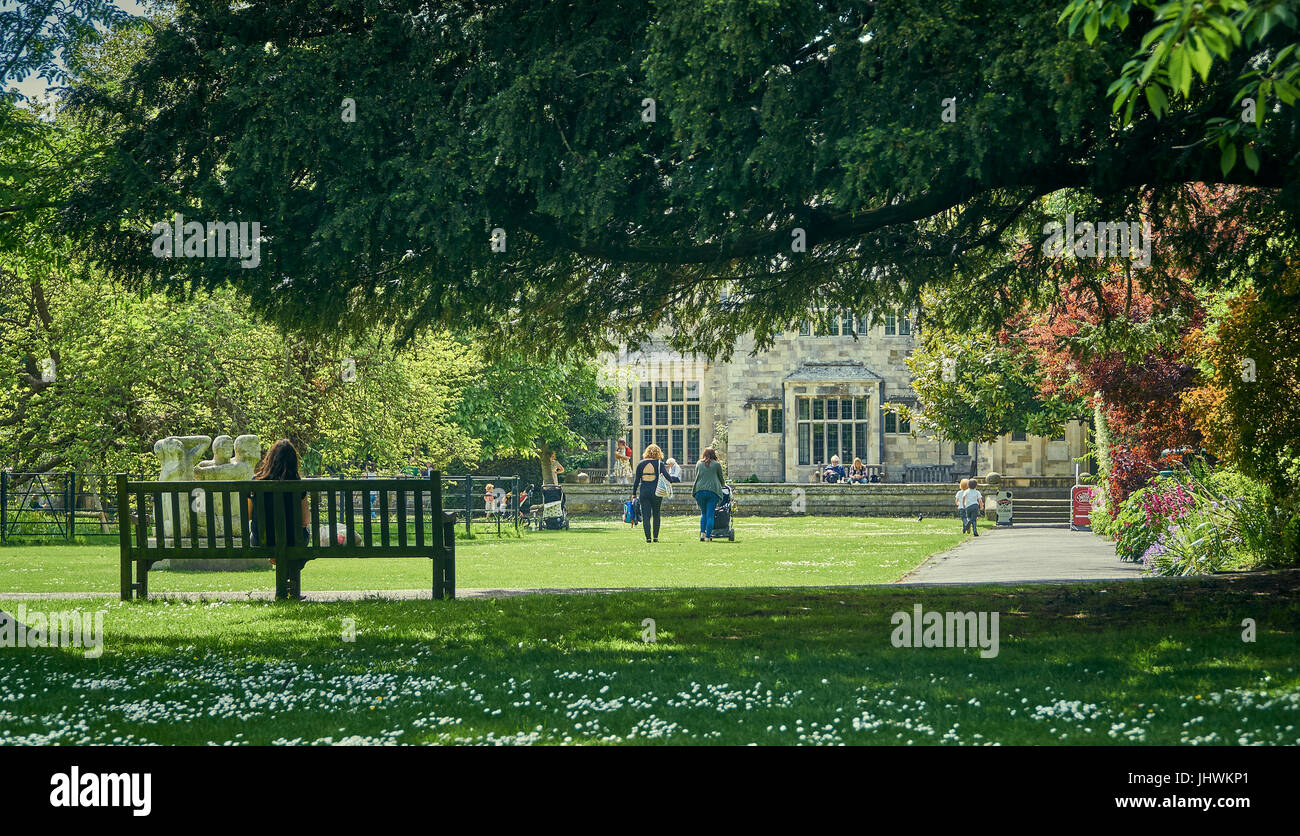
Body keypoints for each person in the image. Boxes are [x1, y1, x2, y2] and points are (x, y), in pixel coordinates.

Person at [246, 439, 312, 564]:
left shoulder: (256, 481)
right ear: (294, 461)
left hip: (261, 542)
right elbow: (305, 521)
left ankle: (279, 561)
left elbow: (247, 515)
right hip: (293, 540)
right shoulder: (297, 484)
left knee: (263, 537)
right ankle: (291, 570)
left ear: (270, 458)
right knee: (302, 535)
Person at [632, 443, 667, 543]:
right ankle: (655, 537)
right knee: (656, 514)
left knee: (646, 515)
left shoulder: (640, 464)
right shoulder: (660, 464)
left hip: (644, 491)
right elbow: (667, 476)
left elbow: (636, 481)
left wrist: (634, 493)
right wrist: (675, 479)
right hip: (656, 491)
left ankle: (648, 538)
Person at [693, 447, 726, 542]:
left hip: (699, 491)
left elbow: (697, 476)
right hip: (712, 492)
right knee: (710, 514)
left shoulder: (699, 464)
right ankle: (708, 536)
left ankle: (702, 534)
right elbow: (721, 478)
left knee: (703, 513)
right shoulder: (716, 465)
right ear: (714, 454)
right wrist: (723, 485)